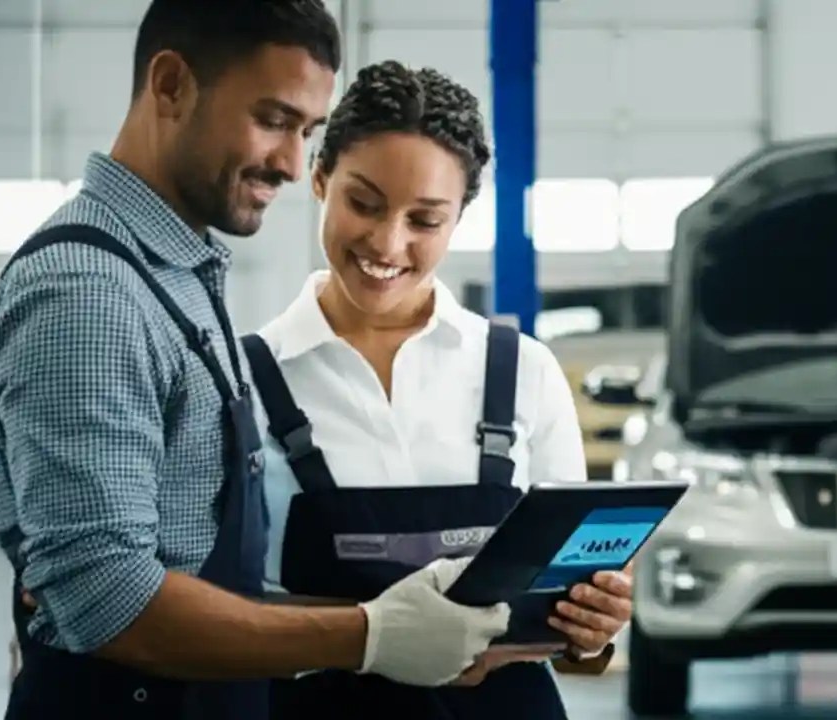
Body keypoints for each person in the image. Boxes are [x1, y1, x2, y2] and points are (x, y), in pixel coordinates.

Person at [0, 3, 514, 719]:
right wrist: (367, 635)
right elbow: (106, 599)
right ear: (170, 86)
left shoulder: (173, 276)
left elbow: (190, 564)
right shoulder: (90, 295)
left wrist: (413, 613)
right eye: (275, 120)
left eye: (307, 132)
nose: (291, 163)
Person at [240, 60, 634, 720]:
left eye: (425, 220)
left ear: (459, 219)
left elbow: (572, 635)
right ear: (318, 177)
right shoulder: (245, 382)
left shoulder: (525, 374)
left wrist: (592, 631)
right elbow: (219, 611)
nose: (387, 242)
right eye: (363, 203)